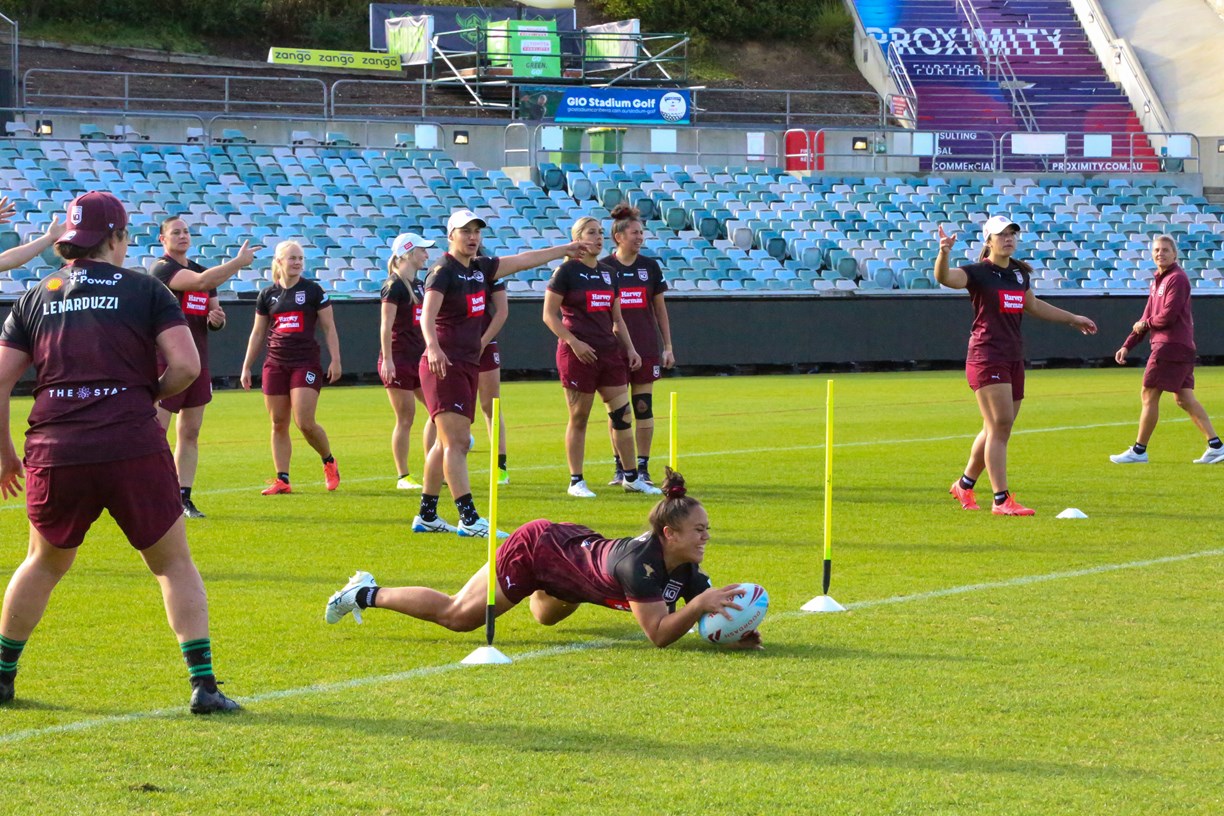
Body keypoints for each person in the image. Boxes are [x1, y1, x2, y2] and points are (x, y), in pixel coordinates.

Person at [0, 191, 238, 713]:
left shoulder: (37, 295)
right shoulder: (145, 289)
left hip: (56, 446)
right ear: (117, 238)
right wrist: (146, 394)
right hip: (130, 441)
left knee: (41, 563)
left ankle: (2, 675)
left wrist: (3, 454)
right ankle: (203, 686)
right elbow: (186, 366)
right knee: (173, 564)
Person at [325, 468, 762, 650]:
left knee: (547, 619)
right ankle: (363, 592)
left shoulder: (682, 566)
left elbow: (706, 607)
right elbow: (659, 635)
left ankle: (544, 587)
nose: (707, 537)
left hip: (569, 560)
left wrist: (734, 630)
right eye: (700, 530)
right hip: (538, 550)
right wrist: (699, 607)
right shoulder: (640, 566)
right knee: (460, 616)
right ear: (670, 534)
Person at [411, 209, 596, 538]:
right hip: (444, 364)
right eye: (465, 231)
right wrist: (433, 346)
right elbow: (428, 315)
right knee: (456, 442)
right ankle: (469, 518)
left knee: (448, 442)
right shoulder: (442, 270)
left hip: (466, 362)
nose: (472, 237)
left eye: (476, 231)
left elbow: (523, 260)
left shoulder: (480, 268)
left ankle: (427, 515)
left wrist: (563, 250)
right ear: (450, 235)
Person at [935, 216, 1098, 516]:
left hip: (1012, 356)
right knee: (1000, 425)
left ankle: (964, 484)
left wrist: (1073, 318)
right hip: (986, 355)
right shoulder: (978, 272)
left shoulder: (1019, 275)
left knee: (998, 427)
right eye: (1001, 234)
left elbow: (1033, 306)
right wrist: (944, 253)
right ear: (989, 241)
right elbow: (946, 279)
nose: (1008, 238)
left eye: (1012, 233)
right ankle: (1001, 500)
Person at [543, 216, 659, 499]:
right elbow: (548, 315)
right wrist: (573, 342)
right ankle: (576, 480)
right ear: (577, 238)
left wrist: (630, 349)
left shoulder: (609, 273)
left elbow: (617, 319)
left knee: (623, 415)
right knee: (579, 417)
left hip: (609, 352)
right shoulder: (566, 271)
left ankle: (631, 477)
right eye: (591, 233)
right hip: (577, 354)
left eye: (599, 233)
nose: (598, 238)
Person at [151, 216, 257, 518]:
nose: (183, 236)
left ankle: (183, 497)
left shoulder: (201, 271)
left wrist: (217, 320)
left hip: (198, 361)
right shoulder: (163, 269)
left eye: (185, 231)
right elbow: (201, 283)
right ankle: (153, 495)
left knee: (191, 432)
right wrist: (238, 263)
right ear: (162, 239)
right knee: (155, 432)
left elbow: (213, 310)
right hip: (167, 361)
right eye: (175, 232)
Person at [1110, 234, 1224, 465]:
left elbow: (1167, 316)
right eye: (1156, 250)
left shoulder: (1177, 279)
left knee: (1149, 393)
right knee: (1184, 398)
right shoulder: (1157, 281)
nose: (1160, 253)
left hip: (1170, 346)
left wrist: (1145, 325)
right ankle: (1217, 447)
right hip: (1178, 347)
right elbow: (1147, 315)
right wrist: (1127, 344)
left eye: (1164, 249)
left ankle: (1139, 451)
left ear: (1175, 254)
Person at [240, 240, 342, 495]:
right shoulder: (267, 295)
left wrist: (336, 359)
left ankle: (329, 461)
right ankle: (282, 479)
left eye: (300, 258)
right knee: (277, 422)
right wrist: (246, 367)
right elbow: (257, 333)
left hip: (305, 361)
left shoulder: (313, 291)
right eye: (291, 258)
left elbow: (329, 327)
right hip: (275, 363)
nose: (296, 262)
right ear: (279, 262)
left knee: (305, 421)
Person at [601, 203, 674, 486]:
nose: (640, 237)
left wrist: (667, 345)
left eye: (641, 232)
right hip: (613, 349)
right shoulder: (605, 267)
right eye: (634, 232)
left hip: (644, 347)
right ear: (619, 237)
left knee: (643, 406)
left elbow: (660, 310)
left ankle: (642, 467)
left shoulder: (650, 267)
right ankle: (621, 467)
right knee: (618, 410)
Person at [379, 232, 437, 490]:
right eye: (422, 250)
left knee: (437, 413)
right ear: (409, 253)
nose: (426, 254)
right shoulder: (394, 286)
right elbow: (385, 325)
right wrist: (388, 360)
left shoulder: (419, 285)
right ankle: (403, 476)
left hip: (418, 357)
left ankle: (432, 469)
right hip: (400, 358)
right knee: (406, 418)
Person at [478, 274, 510, 485]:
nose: (472, 238)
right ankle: (439, 467)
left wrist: (482, 341)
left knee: (491, 406)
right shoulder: (444, 271)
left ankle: (500, 467)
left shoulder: (488, 272)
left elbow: (502, 311)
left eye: (476, 236)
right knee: (448, 411)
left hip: (485, 344)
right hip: (455, 346)